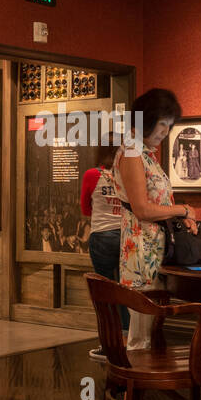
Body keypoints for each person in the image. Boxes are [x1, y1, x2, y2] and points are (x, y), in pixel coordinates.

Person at [112, 88, 201, 400]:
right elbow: (143, 208)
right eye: (162, 126)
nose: (165, 133)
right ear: (146, 121)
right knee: (138, 340)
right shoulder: (132, 153)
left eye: (168, 127)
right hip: (139, 252)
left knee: (147, 338)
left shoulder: (145, 153)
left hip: (151, 251)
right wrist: (182, 211)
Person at [82, 146, 128, 352]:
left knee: (105, 291)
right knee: (125, 291)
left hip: (101, 235)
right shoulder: (124, 175)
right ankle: (127, 340)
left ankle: (109, 342)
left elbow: (85, 208)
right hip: (125, 237)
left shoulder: (92, 175)